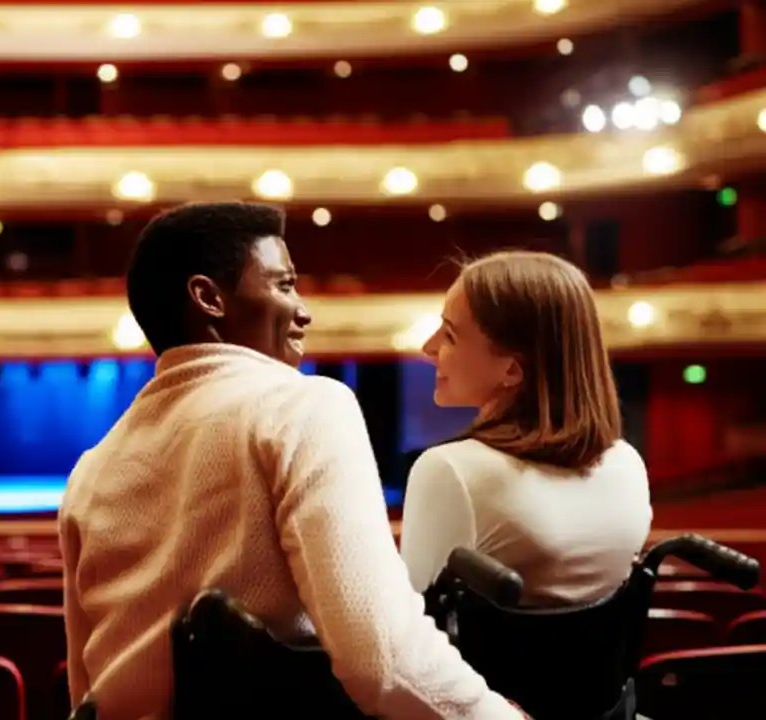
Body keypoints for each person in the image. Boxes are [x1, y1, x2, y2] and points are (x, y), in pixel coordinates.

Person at [59, 202, 524, 719]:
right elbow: (384, 660)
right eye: (283, 285)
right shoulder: (304, 406)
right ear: (209, 298)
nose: (304, 310)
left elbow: (85, 696)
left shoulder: (90, 470)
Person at [399, 250, 652, 607]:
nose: (429, 348)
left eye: (451, 335)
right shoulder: (628, 465)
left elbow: (409, 632)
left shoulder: (450, 470)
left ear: (512, 371)